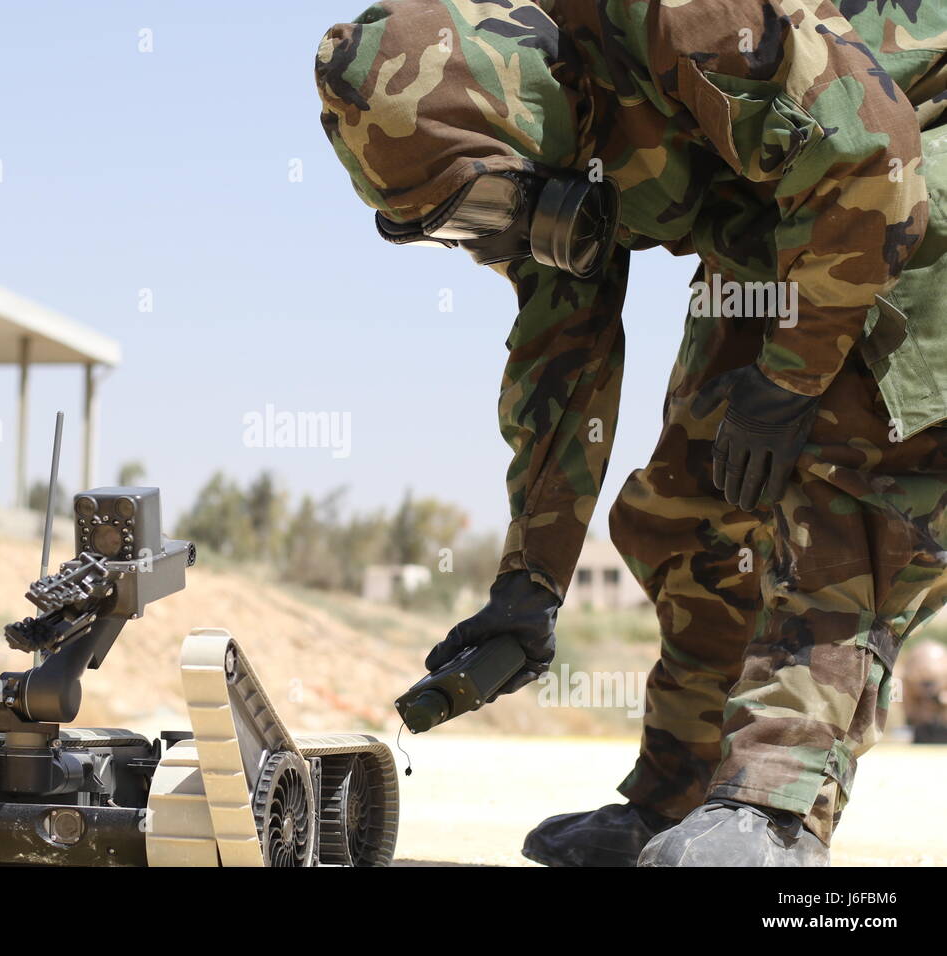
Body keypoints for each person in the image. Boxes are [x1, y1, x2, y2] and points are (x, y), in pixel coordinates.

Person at [316, 0, 947, 866]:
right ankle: (680, 798)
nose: (489, 237)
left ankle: (773, 811)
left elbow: (874, 155)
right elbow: (561, 362)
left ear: (528, 101)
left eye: (487, 204)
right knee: (684, 505)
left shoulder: (680, 19)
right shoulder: (533, 170)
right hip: (784, 232)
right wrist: (528, 588)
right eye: (453, 228)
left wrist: (791, 378)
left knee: (840, 476)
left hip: (903, 170)